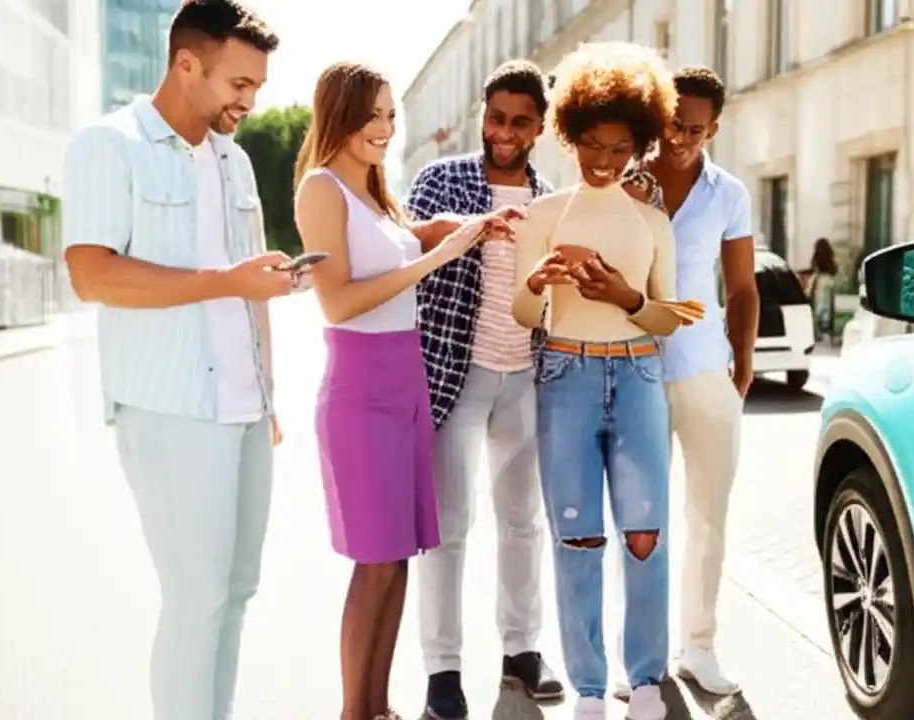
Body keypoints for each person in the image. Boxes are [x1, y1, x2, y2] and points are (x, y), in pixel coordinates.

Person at [60, 2, 286, 718]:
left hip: (247, 408)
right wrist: (227, 281)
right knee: (194, 601)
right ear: (187, 63)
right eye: (239, 84)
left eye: (257, 87)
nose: (250, 101)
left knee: (235, 596)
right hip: (171, 408)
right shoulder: (109, 145)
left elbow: (249, 285)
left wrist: (270, 395)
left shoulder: (234, 158)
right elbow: (93, 275)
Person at [292, 61, 520, 720]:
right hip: (361, 392)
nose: (386, 129)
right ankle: (353, 713)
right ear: (340, 113)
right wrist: (435, 259)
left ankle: (379, 708)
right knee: (375, 563)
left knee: (396, 563)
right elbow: (337, 301)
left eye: (392, 115)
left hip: (405, 383)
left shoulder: (370, 189)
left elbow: (391, 247)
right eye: (374, 116)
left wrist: (449, 228)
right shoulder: (322, 188)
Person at [511, 41, 689, 720]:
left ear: (641, 142)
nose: (605, 160)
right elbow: (524, 312)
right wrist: (537, 280)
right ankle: (588, 688)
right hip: (564, 373)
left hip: (641, 375)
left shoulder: (651, 220)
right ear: (569, 135)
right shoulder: (543, 215)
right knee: (576, 536)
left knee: (645, 535)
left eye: (620, 147)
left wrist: (627, 298)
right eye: (592, 143)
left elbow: (670, 316)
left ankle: (644, 678)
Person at [404, 60, 563, 720]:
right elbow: (401, 255)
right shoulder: (441, 179)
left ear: (539, 126)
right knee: (447, 526)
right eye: (496, 117)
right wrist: (455, 233)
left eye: (520, 121)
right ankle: (443, 670)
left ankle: (521, 649)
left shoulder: (550, 196)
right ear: (483, 115)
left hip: (524, 374)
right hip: (454, 374)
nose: (504, 131)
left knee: (523, 522)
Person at [614, 65, 759, 699]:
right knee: (641, 522)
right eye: (674, 124)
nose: (681, 139)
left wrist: (744, 364)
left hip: (705, 370)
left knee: (708, 518)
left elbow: (744, 287)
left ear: (715, 128)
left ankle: (698, 647)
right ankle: (637, 659)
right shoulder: (623, 183)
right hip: (635, 369)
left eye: (695, 130)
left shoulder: (729, 194)